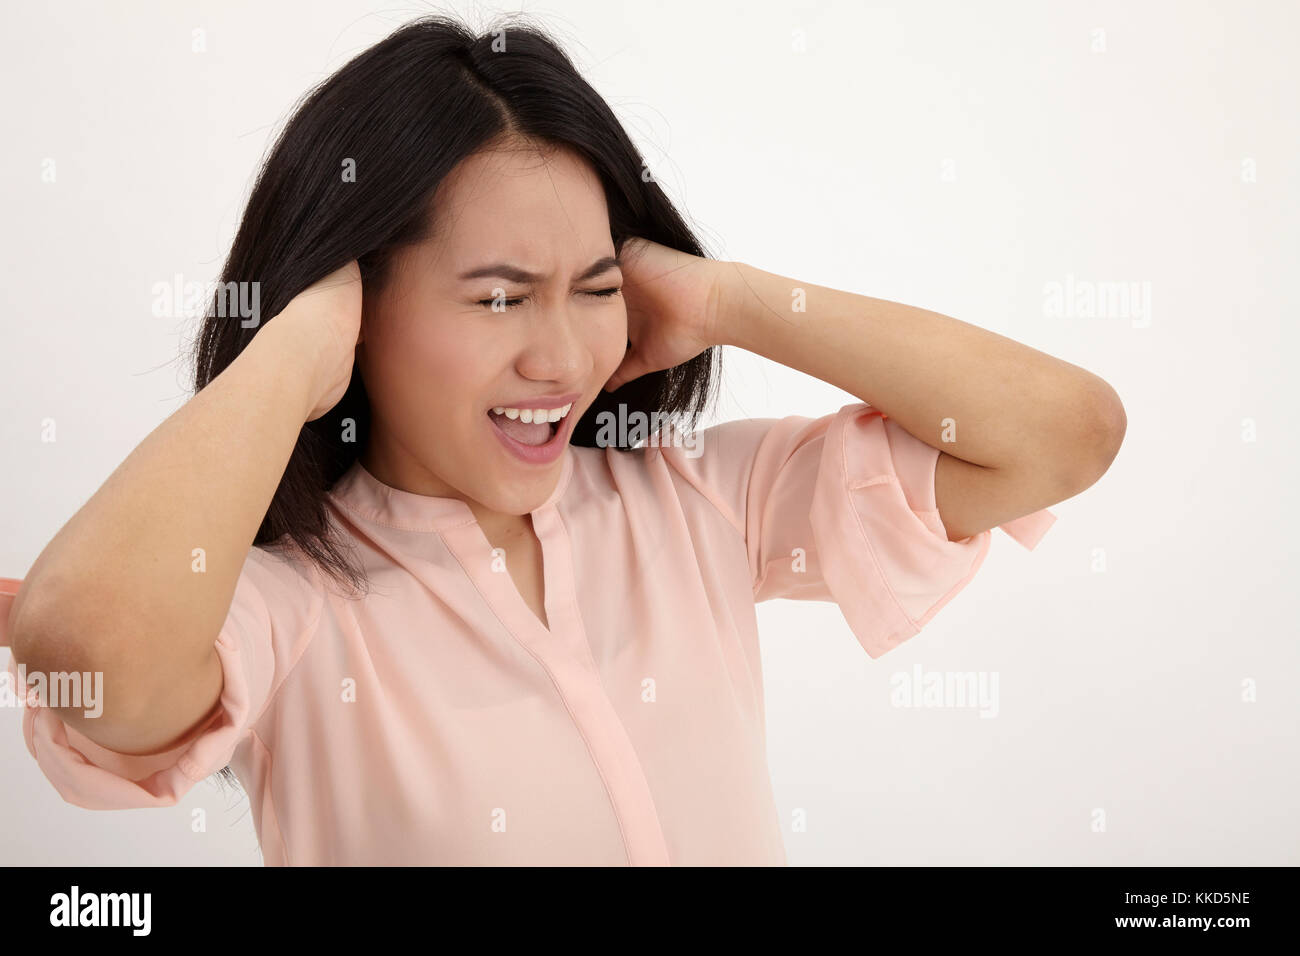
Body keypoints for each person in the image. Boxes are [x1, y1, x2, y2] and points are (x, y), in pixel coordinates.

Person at [0, 14, 1123, 865]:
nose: (561, 357)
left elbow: (1059, 436)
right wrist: (289, 357)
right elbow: (86, 657)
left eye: (592, 288)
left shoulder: (700, 503)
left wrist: (727, 298)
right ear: (354, 305)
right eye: (498, 298)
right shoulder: (290, 607)